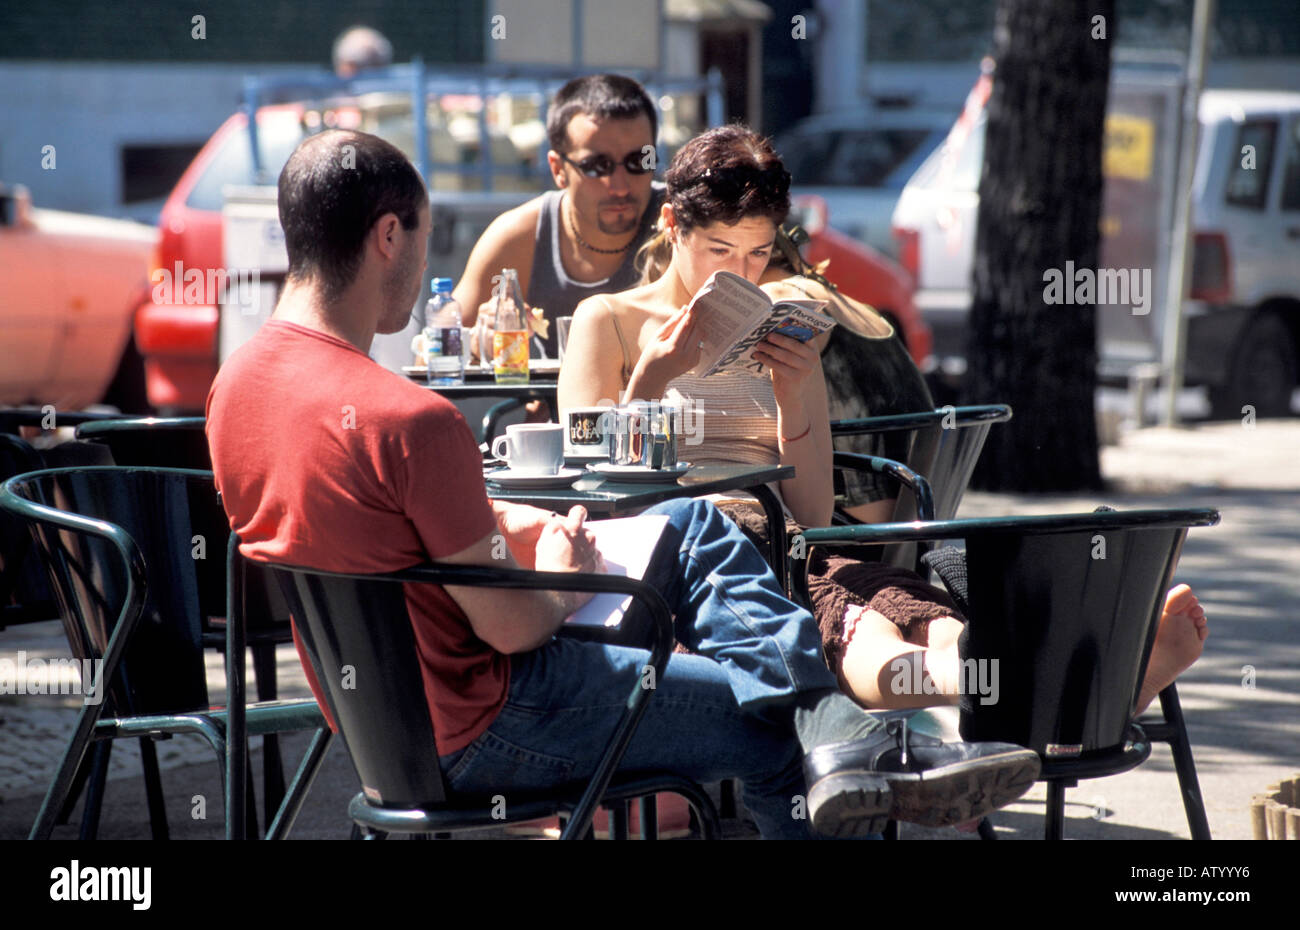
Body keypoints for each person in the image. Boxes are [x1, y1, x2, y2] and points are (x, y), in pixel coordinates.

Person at [206, 128, 1042, 839]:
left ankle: (845, 732)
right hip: (491, 723)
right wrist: (560, 584)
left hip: (382, 729)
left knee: (692, 525)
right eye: (424, 238)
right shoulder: (411, 418)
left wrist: (520, 534)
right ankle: (844, 733)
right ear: (389, 235)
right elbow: (514, 630)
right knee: (777, 726)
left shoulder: (235, 392)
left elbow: (382, 525)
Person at [557, 124, 1209, 720]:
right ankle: (1084, 690)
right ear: (672, 225)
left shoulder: (783, 324)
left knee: (911, 608)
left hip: (785, 544)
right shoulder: (609, 322)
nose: (741, 273)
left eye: (757, 253)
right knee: (857, 622)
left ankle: (1050, 686)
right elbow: (587, 481)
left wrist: (792, 392)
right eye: (720, 249)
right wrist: (655, 376)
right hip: (683, 551)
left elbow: (810, 509)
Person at [453, 74, 666, 359]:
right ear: (557, 169)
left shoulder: (684, 224)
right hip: (555, 406)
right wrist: (477, 342)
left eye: (639, 161)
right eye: (595, 166)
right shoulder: (519, 239)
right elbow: (431, 354)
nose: (620, 186)